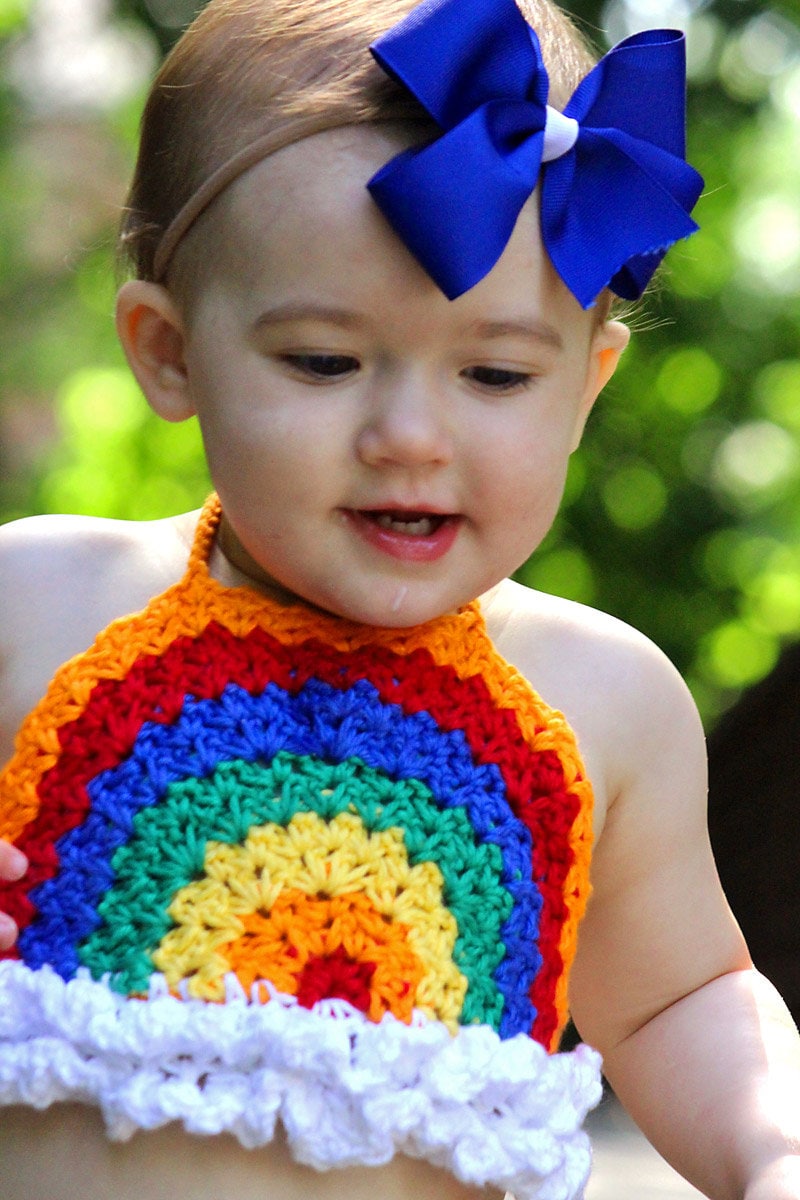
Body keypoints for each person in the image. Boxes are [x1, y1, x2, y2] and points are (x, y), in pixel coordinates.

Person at [0, 0, 798, 1197]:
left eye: (494, 373)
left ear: (585, 388)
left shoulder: (605, 701)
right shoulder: (36, 601)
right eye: (323, 361)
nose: (409, 435)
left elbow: (681, 997)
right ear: (168, 351)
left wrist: (771, 1148)